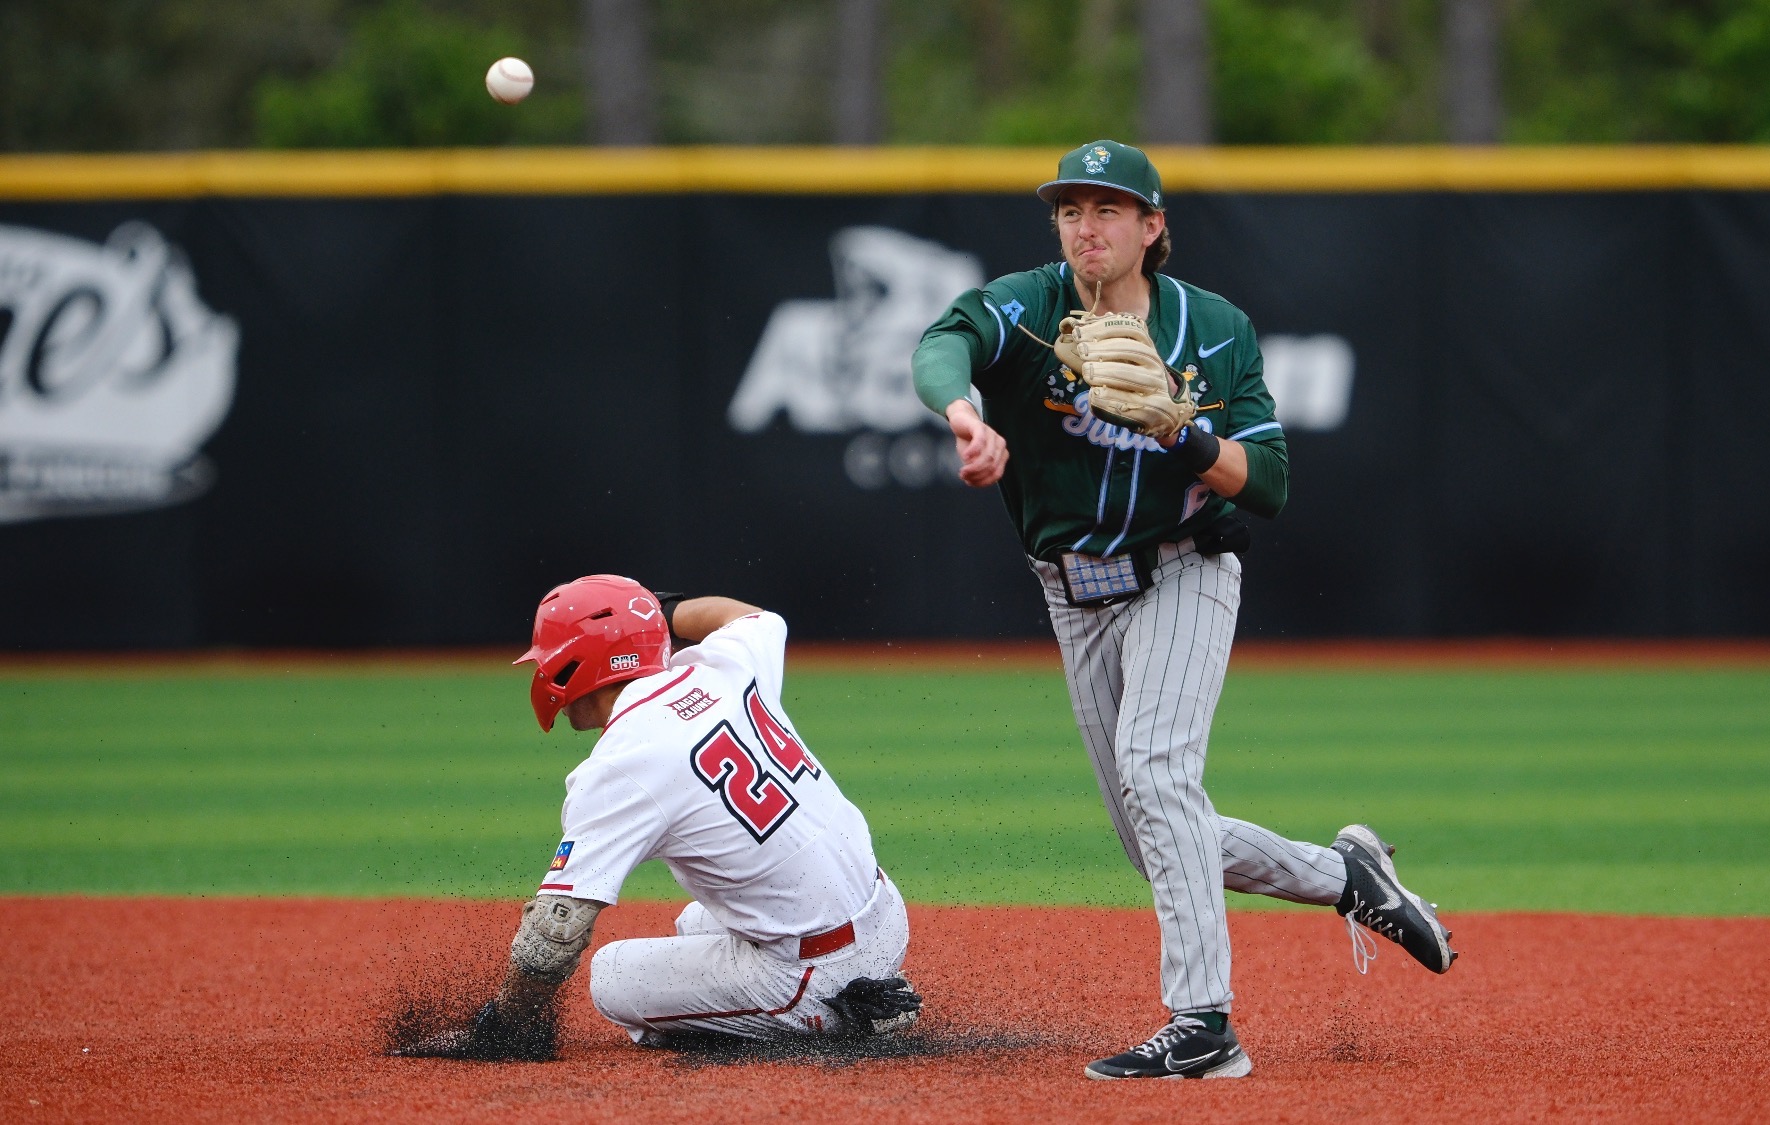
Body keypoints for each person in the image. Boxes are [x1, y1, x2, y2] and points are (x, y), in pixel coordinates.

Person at [910, 140, 1457, 1081]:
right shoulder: (1030, 307)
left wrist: (1180, 429)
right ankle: (1346, 875)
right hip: (1073, 592)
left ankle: (1204, 1024)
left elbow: (1269, 483)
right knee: (1151, 836)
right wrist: (963, 414)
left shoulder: (1214, 327)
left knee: (1159, 779)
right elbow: (942, 344)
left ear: (1152, 225)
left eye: (1107, 209)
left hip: (1183, 570)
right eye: (1070, 210)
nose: (1085, 227)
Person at [396, 575, 920, 1060]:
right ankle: (847, 988)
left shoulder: (623, 762)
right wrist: (659, 614)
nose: (542, 669)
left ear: (576, 664)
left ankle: (831, 1018)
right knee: (695, 923)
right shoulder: (720, 669)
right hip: (886, 919)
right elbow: (756, 618)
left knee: (612, 977)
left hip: (810, 975)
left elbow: (556, 931)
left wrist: (506, 1027)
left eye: (549, 657)